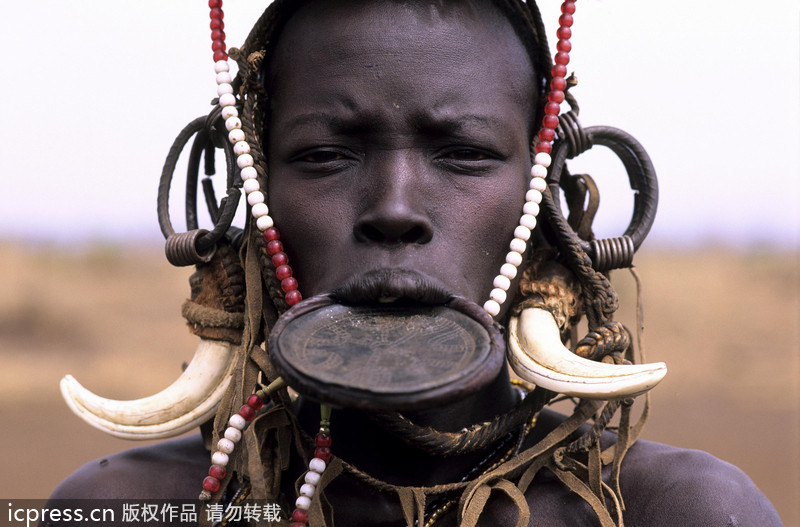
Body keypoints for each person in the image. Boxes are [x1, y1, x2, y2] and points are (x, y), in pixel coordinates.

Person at [49, 0, 782, 525]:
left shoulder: (677, 511)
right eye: (325, 154)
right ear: (252, 190)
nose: (394, 208)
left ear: (546, 203)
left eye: (463, 153)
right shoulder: (127, 508)